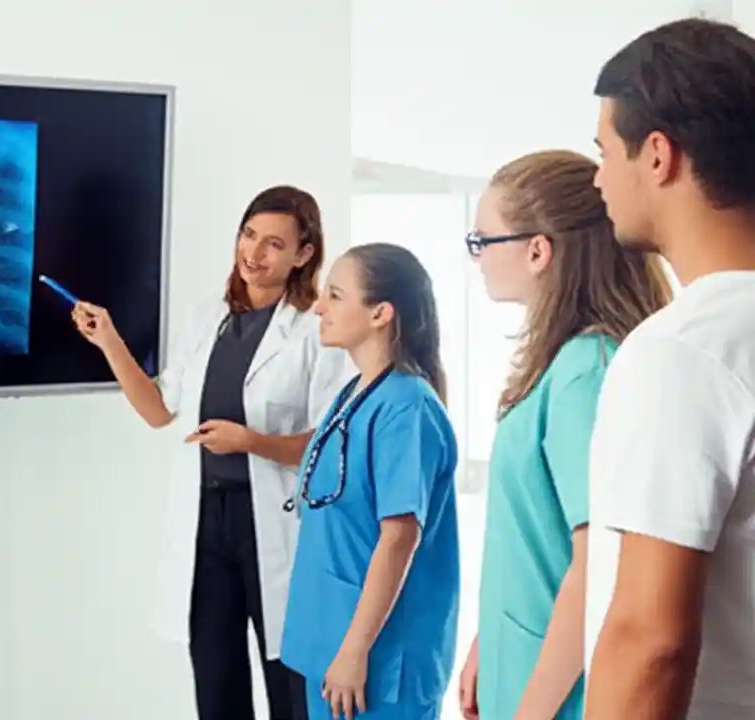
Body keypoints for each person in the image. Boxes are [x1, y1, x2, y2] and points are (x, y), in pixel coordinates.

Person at [71, 185, 349, 720]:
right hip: (207, 523)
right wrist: (109, 341)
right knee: (217, 683)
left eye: (273, 243)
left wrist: (252, 442)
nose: (254, 253)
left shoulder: (315, 331)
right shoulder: (208, 317)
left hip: (273, 523)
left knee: (289, 681)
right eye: (248, 235)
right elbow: (158, 410)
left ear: (304, 254)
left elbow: (328, 444)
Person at [454, 150, 672, 720]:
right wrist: (489, 639)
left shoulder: (586, 371)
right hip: (524, 667)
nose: (475, 258)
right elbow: (530, 539)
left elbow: (597, 561)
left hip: (558, 697)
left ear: (537, 250)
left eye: (482, 241)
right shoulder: (559, 367)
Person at [583, 18, 755, 720]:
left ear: (658, 156)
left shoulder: (684, 351)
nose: (597, 177)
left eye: (603, 151)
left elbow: (651, 641)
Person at [281, 243, 459, 720]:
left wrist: (354, 652)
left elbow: (399, 537)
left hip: (376, 660)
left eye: (336, 295)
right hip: (329, 642)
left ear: (381, 313)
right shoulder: (354, 393)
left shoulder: (407, 407)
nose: (319, 306)